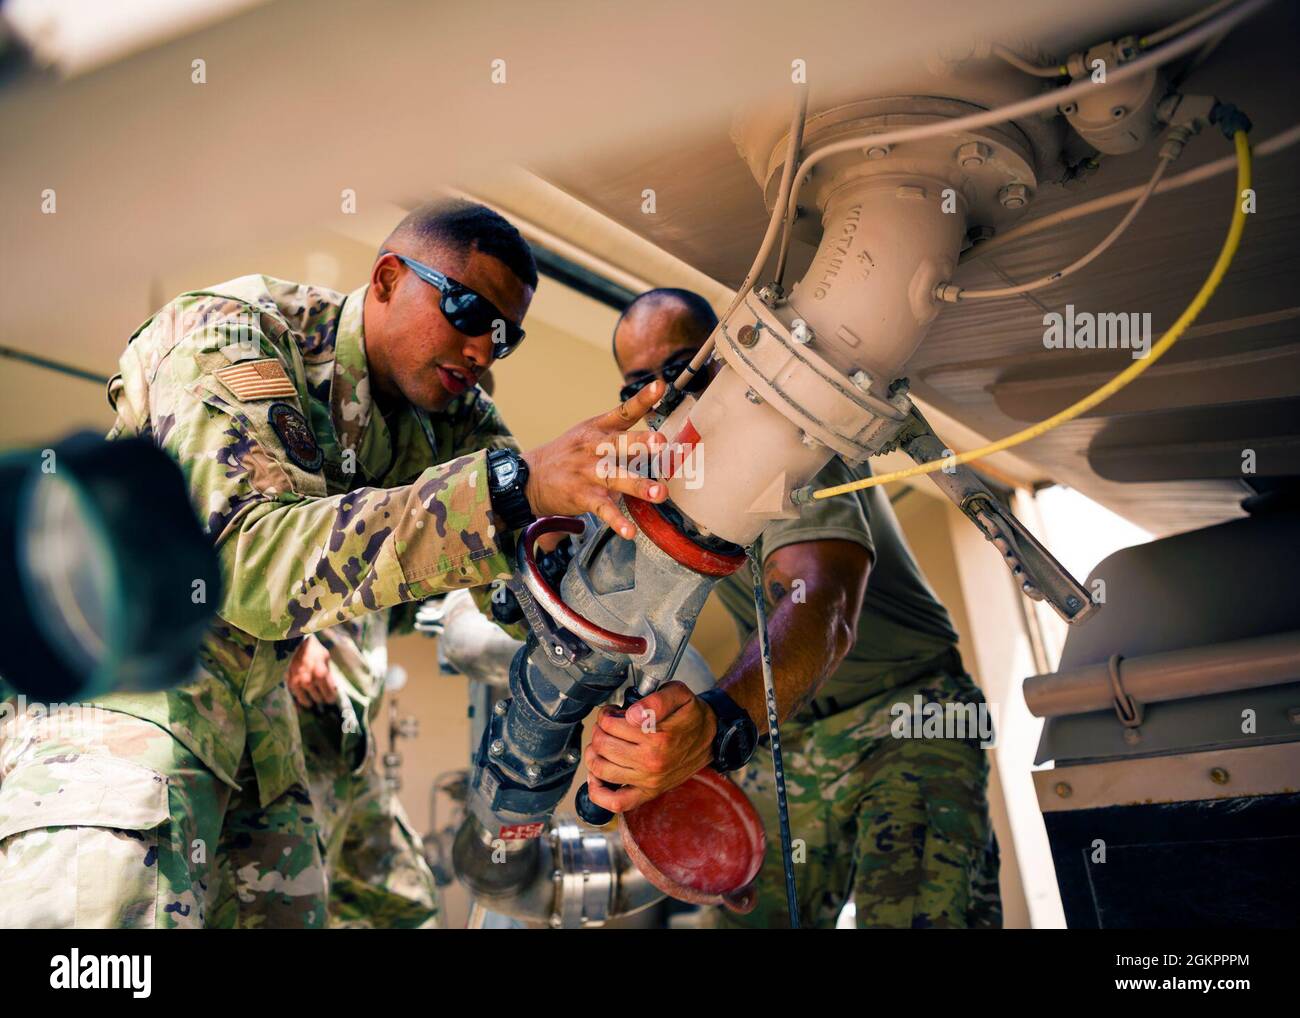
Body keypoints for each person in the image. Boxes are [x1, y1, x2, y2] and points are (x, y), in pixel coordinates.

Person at [0, 199, 670, 928]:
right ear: (387, 278)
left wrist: (599, 612)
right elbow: (247, 568)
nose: (482, 350)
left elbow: (526, 585)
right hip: (133, 729)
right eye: (468, 312)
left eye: (504, 337)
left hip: (269, 762)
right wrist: (509, 490)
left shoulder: (455, 421)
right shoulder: (236, 334)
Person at [589, 288, 1003, 929]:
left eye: (676, 368)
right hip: (795, 730)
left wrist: (720, 721)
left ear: (721, 357)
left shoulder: (793, 438)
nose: (660, 394)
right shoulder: (662, 477)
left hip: (908, 715)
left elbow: (822, 602)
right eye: (637, 383)